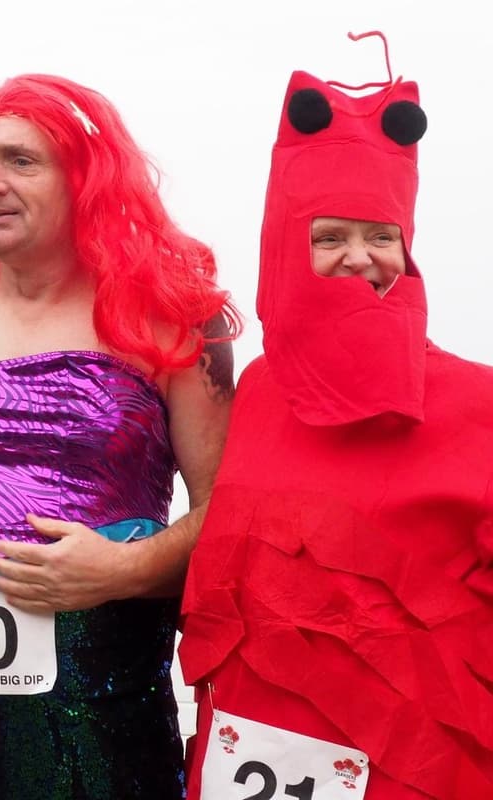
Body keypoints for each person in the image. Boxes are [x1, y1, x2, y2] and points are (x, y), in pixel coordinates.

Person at [0, 73, 239, 799]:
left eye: (20, 161)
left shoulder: (174, 311)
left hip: (107, 712)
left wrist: (124, 570)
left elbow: (230, 511)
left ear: (85, 179)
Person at [179, 36, 493, 799]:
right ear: (288, 246)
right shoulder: (257, 389)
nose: (359, 257)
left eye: (381, 237)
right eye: (329, 237)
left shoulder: (479, 403)